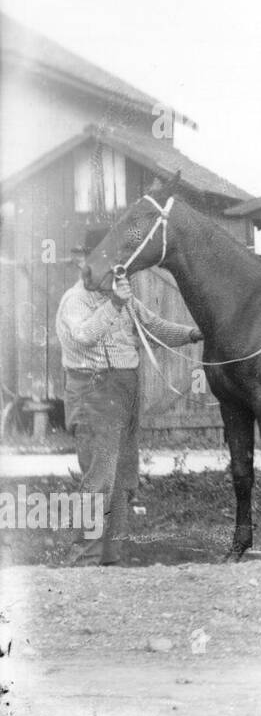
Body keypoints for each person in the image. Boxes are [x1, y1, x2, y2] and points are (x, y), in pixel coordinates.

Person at [56, 228, 203, 566]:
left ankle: (111, 557)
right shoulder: (75, 300)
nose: (113, 268)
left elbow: (155, 326)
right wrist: (115, 304)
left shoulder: (120, 298)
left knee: (122, 479)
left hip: (125, 390)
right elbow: (83, 337)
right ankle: (85, 559)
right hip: (93, 392)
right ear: (84, 262)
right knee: (98, 480)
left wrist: (195, 334)